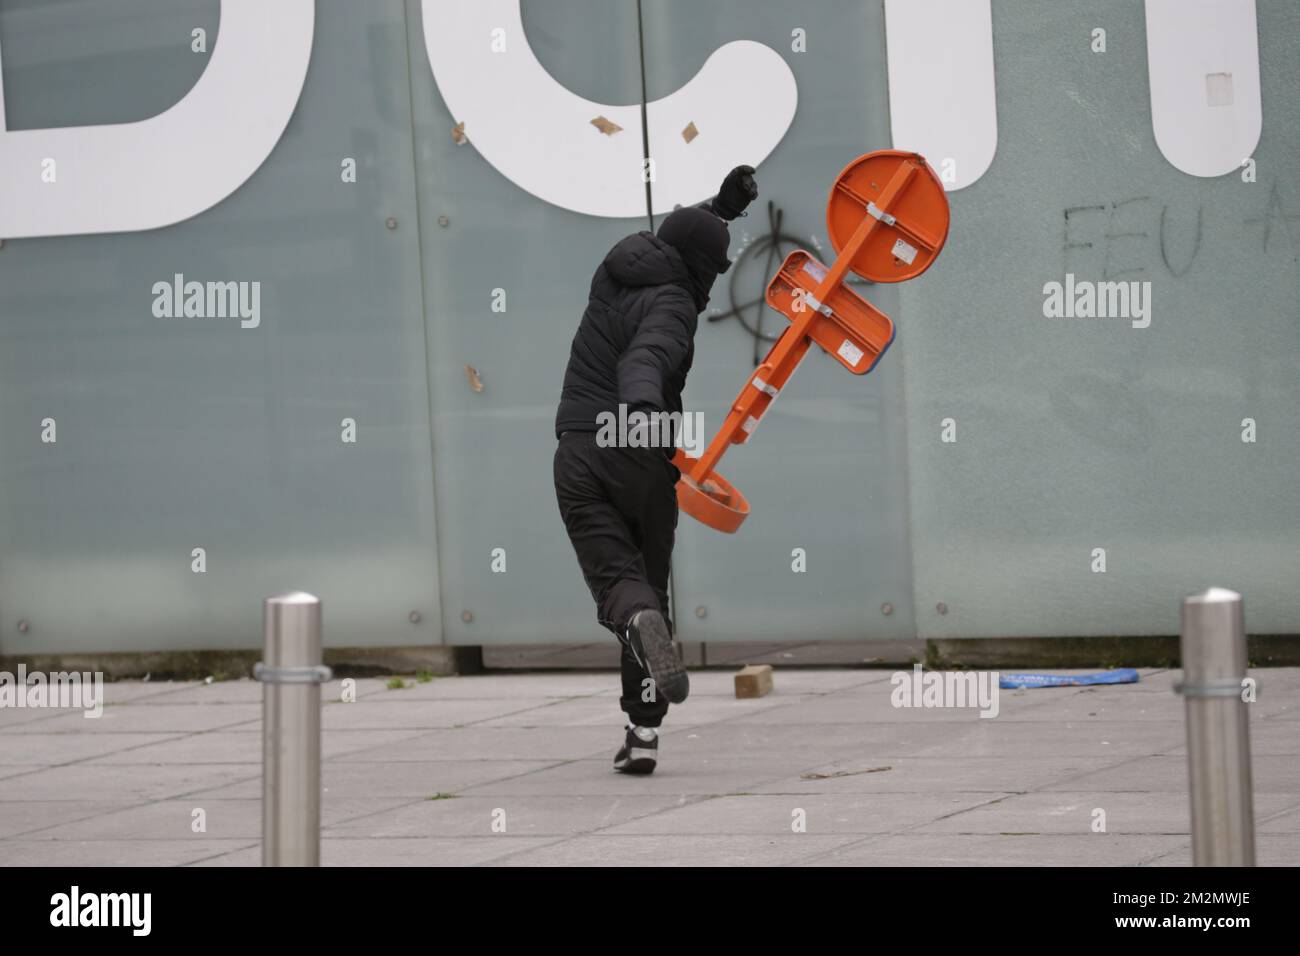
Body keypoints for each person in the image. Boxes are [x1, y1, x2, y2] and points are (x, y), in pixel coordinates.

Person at [553, 165, 759, 774]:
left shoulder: (617, 267)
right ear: (699, 267)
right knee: (646, 587)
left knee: (621, 587)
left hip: (576, 453)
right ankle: (644, 731)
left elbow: (681, 233)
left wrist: (720, 210)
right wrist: (642, 403)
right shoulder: (675, 303)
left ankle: (637, 632)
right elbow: (650, 354)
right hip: (638, 449)